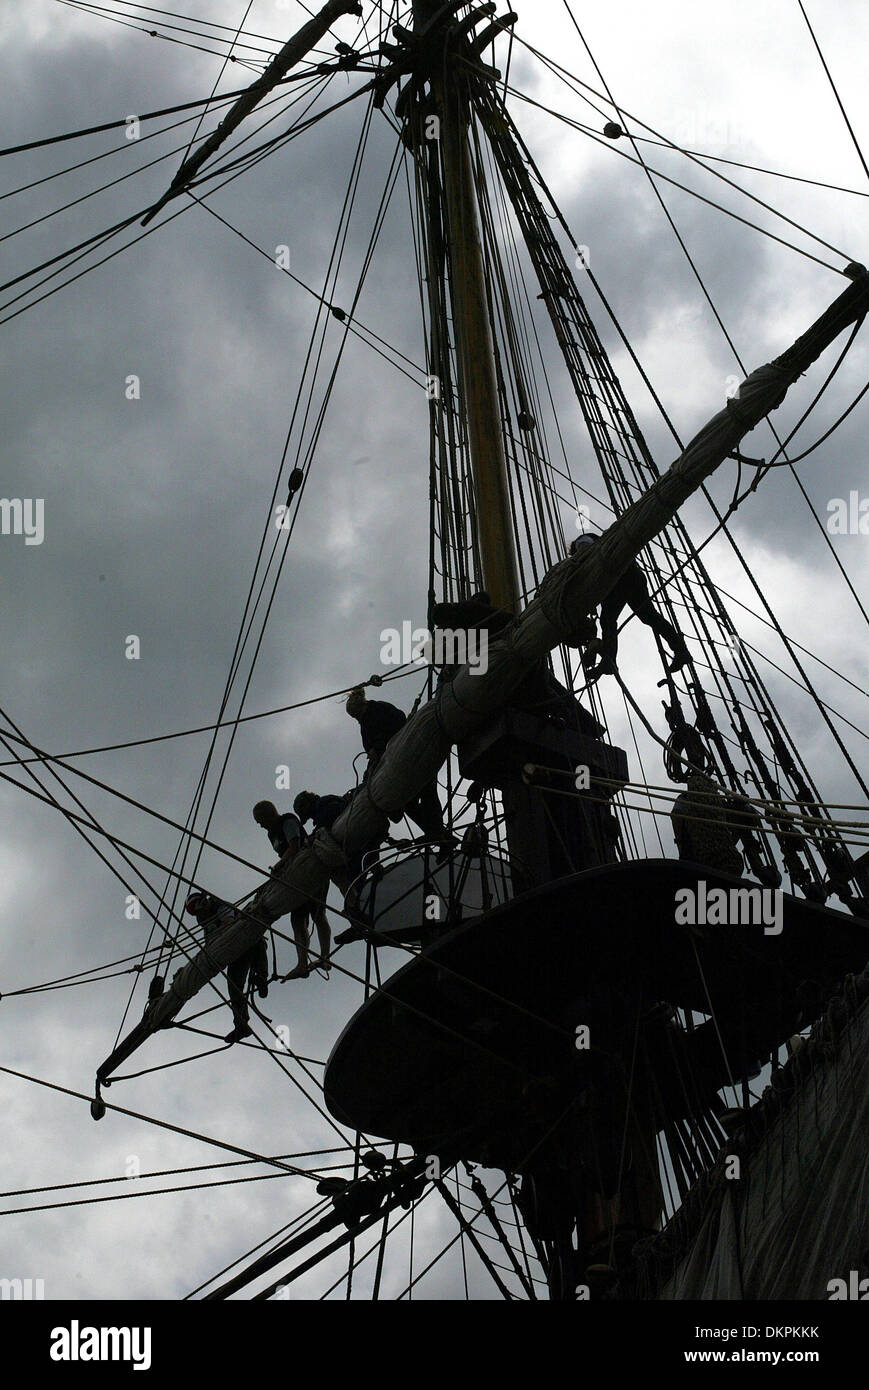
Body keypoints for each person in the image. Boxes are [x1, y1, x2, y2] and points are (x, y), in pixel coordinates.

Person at [431, 589, 604, 738]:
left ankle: (574, 720)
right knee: (549, 690)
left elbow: (438, 649)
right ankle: (583, 725)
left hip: (502, 660)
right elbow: (507, 620)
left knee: (545, 690)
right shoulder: (471, 618)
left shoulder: (466, 615)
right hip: (515, 654)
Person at [345, 689, 452, 857]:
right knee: (422, 797)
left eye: (356, 715)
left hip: (408, 756)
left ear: (361, 708)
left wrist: (377, 749)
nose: (357, 719)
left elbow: (395, 727)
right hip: (406, 757)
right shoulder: (371, 718)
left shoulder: (375, 714)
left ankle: (438, 834)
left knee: (420, 798)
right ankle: (439, 835)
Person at [569, 534, 689, 678]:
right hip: (633, 575)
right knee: (650, 617)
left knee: (608, 621)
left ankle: (609, 661)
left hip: (618, 579)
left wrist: (575, 565)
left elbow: (584, 550)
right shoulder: (604, 544)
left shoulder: (580, 541)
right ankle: (681, 650)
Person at [252, 800, 331, 976]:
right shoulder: (271, 834)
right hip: (293, 878)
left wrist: (280, 864)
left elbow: (295, 846)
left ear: (269, 815)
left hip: (310, 868)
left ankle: (325, 958)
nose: (260, 825)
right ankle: (302, 963)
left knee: (318, 914)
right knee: (297, 920)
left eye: (261, 820)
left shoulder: (287, 821)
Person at [184, 889, 268, 1044]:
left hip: (245, 938)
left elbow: (229, 923)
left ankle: (261, 978)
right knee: (234, 987)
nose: (205, 907)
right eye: (200, 910)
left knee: (257, 941)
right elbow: (209, 937)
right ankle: (241, 1025)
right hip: (234, 951)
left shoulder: (220, 906)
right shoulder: (203, 918)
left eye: (204, 903)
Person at [670, 771, 744, 876]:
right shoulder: (720, 803)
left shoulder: (684, 799)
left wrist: (681, 847)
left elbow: (676, 817)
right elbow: (736, 825)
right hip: (730, 860)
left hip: (697, 859)